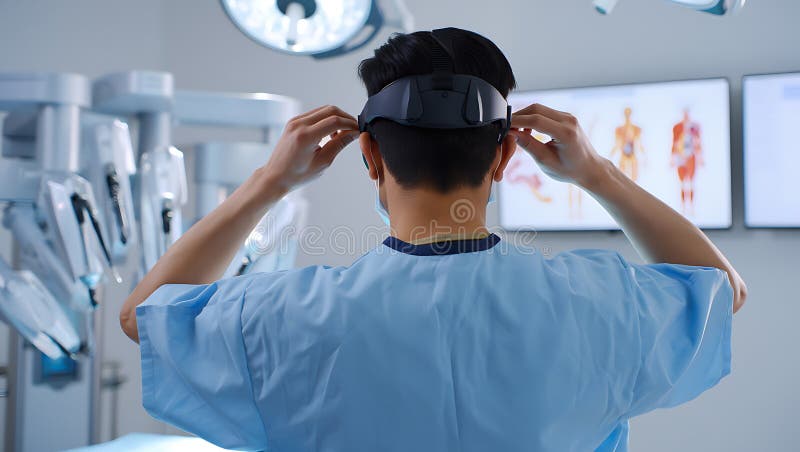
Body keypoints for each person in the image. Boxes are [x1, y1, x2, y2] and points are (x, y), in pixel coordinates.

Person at [119, 28, 746, 452]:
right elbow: (721, 290)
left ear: (368, 154)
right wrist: (596, 173)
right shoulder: (604, 303)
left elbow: (142, 317)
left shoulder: (280, 318)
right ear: (505, 156)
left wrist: (266, 182)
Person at [672, 109, 703, 215]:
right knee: (682, 184)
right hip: (681, 158)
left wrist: (700, 158)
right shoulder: (677, 127)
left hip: (691, 158)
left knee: (690, 183)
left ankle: (692, 207)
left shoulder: (694, 127)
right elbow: (674, 143)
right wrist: (673, 158)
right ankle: (683, 208)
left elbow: (698, 143)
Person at [610, 107, 645, 181]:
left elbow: (639, 143)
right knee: (622, 179)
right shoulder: (619, 129)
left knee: (634, 179)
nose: (627, 116)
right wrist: (610, 155)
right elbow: (617, 144)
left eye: (628, 114)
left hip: (632, 156)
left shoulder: (636, 129)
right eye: (626, 114)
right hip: (623, 157)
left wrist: (645, 156)